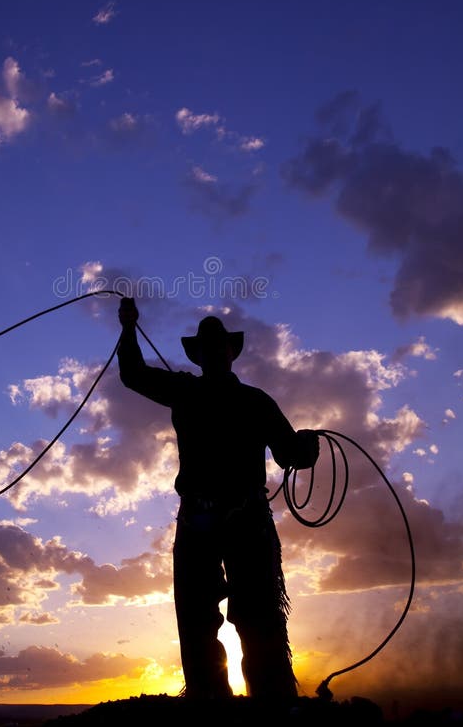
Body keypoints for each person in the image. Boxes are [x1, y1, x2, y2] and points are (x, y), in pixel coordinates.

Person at [117, 297, 319, 703]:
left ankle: (250, 702)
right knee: (215, 616)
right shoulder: (236, 398)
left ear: (227, 352)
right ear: (212, 354)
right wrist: (128, 328)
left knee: (236, 615)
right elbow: (134, 374)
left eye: (217, 345)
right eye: (209, 347)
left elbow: (289, 454)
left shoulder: (215, 396)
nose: (214, 352)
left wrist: (305, 448)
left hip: (222, 521)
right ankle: (255, 701)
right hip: (225, 521)